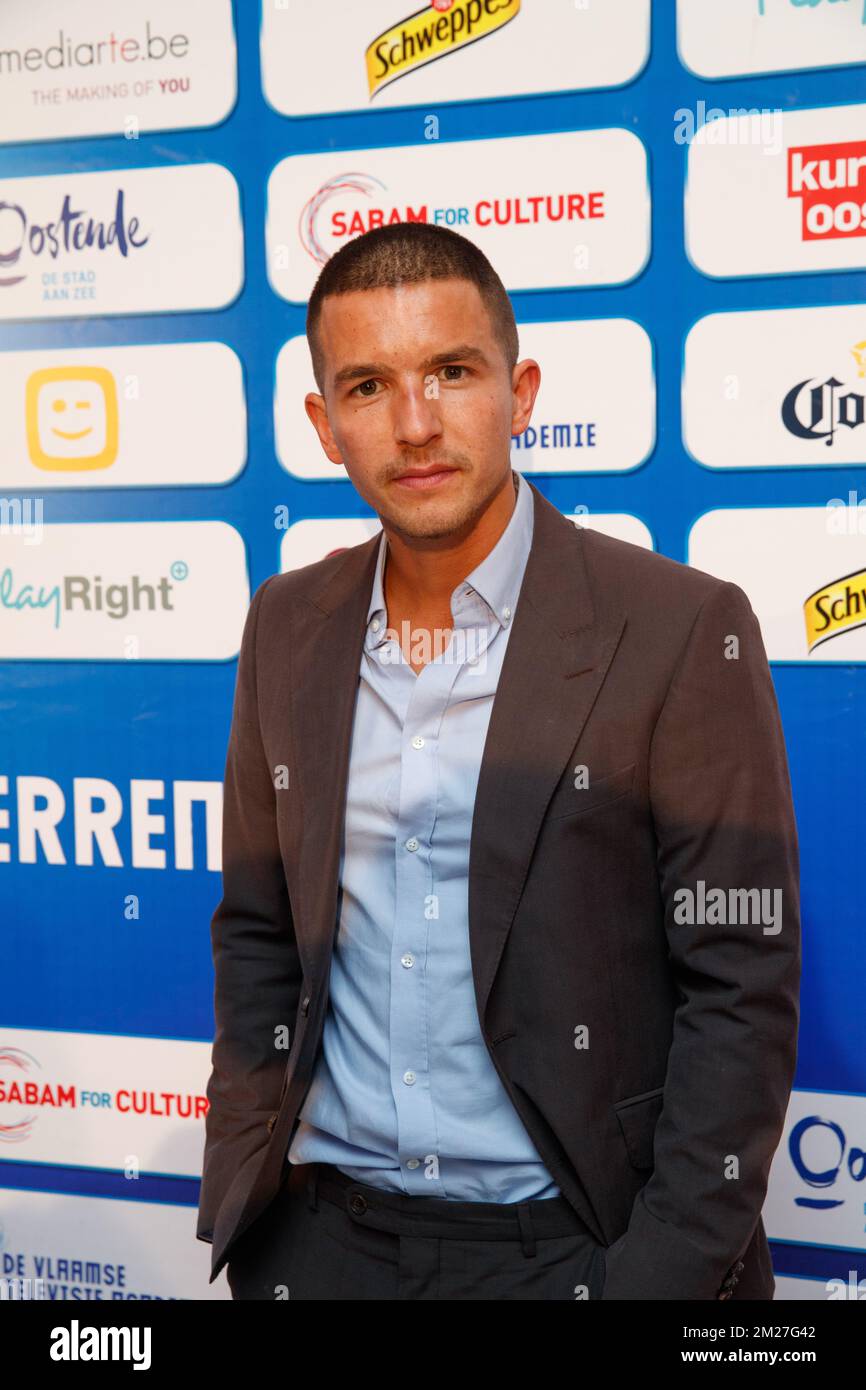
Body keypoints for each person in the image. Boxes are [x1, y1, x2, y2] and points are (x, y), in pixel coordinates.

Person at [196, 221, 801, 1300]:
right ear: (323, 425)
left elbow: (739, 982)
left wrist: (657, 1276)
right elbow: (256, 930)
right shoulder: (286, 624)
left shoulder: (674, 628)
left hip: (578, 1252)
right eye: (368, 385)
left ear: (519, 393)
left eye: (452, 372)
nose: (416, 423)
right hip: (326, 1245)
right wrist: (254, 1204)